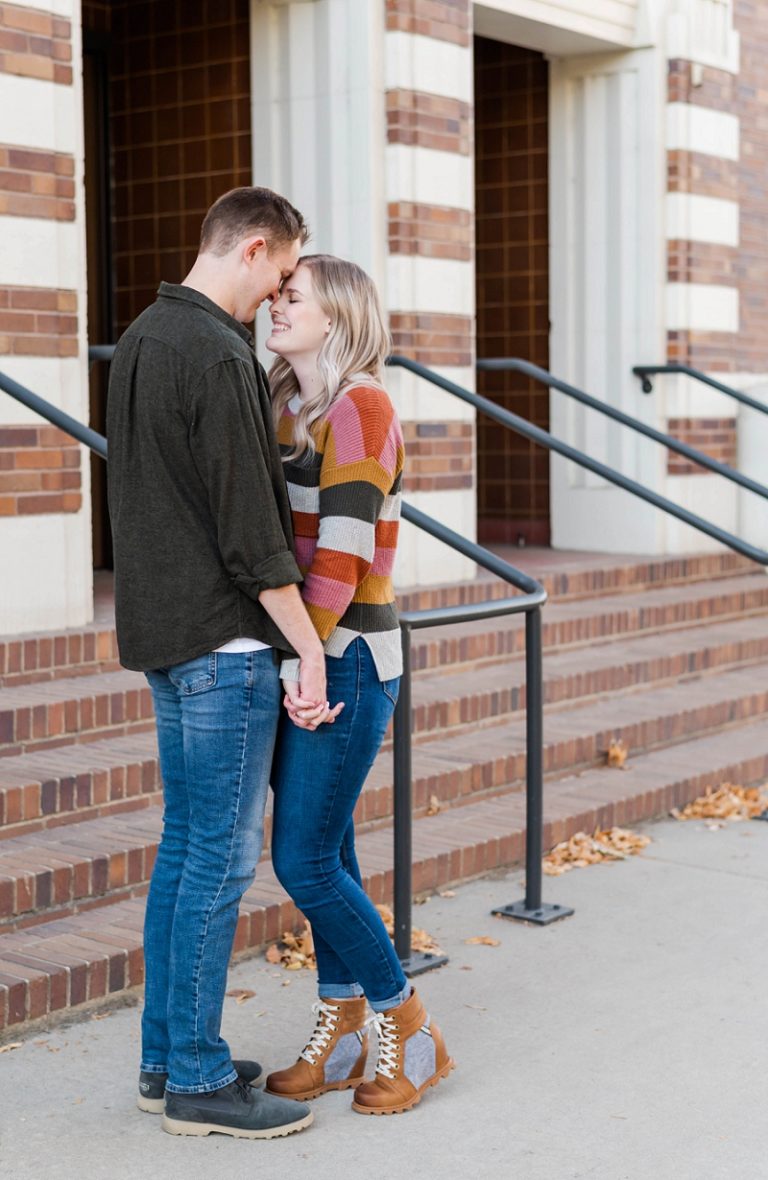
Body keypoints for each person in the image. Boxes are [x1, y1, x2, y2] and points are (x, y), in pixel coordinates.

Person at [107, 187, 338, 1140]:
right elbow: (253, 531)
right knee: (217, 861)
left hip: (167, 636)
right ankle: (199, 1080)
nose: (279, 295)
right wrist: (310, 644)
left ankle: (169, 1060)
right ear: (252, 249)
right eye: (281, 275)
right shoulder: (214, 353)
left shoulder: (143, 338)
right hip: (224, 644)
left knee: (185, 854)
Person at [261, 254, 455, 1115]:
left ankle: (407, 1023)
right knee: (326, 851)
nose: (274, 307)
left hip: (343, 658)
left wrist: (304, 658)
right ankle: (339, 1016)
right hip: (303, 652)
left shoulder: (361, 407)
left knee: (302, 857)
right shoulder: (287, 410)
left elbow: (337, 560)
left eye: (291, 297)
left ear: (335, 316)